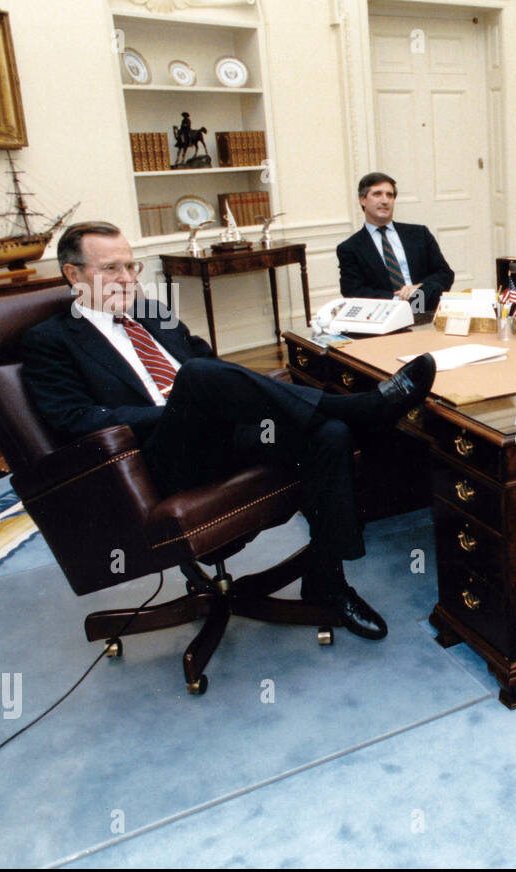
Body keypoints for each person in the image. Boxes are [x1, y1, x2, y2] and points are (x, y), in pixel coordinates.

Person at [22, 221, 437, 640]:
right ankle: (361, 408)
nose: (127, 279)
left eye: (131, 267)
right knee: (199, 376)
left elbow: (220, 372)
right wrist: (177, 406)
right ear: (73, 275)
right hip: (158, 461)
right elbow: (75, 421)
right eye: (111, 269)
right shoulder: (51, 340)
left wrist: (209, 395)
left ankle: (327, 581)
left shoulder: (152, 313)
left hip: (222, 436)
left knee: (327, 434)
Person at [336, 172, 455, 312]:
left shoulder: (419, 234)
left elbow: (445, 274)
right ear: (362, 200)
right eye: (377, 194)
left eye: (390, 195)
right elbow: (353, 291)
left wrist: (420, 288)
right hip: (383, 314)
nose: (385, 200)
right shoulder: (350, 248)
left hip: (426, 308)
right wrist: (399, 301)